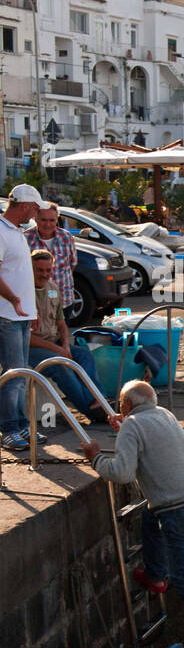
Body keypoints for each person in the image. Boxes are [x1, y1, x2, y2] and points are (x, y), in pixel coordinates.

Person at [81, 379, 184, 648]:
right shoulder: (164, 414)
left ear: (126, 405)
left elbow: (122, 473)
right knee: (150, 512)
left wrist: (95, 458)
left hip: (179, 504)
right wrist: (126, 429)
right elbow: (151, 441)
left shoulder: (133, 425)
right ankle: (156, 574)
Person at [27, 249, 106, 424]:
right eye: (40, 270)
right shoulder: (23, 291)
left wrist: (66, 346)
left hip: (53, 341)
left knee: (84, 355)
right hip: (31, 347)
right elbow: (28, 338)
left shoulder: (53, 288)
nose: (44, 275)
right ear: (30, 269)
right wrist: (58, 350)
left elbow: (62, 324)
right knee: (62, 366)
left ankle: (98, 400)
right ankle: (93, 411)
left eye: (48, 270)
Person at [0, 184, 44, 451]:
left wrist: (31, 310)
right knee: (14, 374)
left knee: (22, 373)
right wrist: (14, 300)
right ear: (25, 205)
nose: (36, 214)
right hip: (6, 315)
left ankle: (21, 425)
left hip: (21, 315)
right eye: (35, 208)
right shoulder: (1, 231)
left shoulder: (17, 232)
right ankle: (10, 429)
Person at [25, 204, 77, 307]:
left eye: (52, 220)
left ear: (57, 220)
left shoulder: (66, 237)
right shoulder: (25, 239)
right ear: (35, 219)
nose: (47, 224)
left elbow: (72, 264)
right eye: (43, 220)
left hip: (63, 300)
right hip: (36, 303)